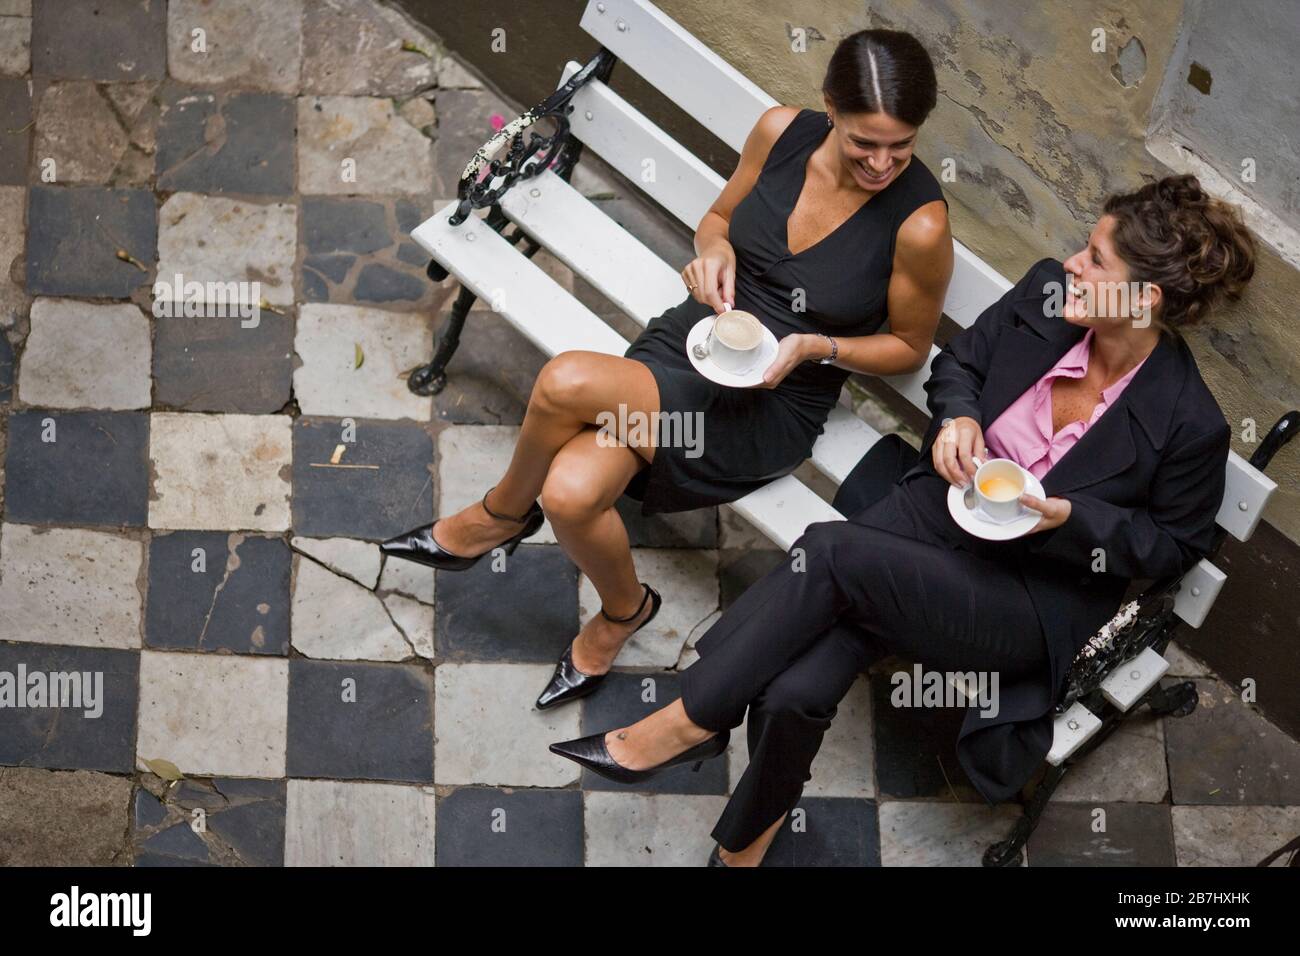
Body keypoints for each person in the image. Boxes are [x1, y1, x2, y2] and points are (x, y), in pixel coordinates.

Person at [550, 173, 1258, 866]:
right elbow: (961, 369)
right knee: (797, 686)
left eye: (1095, 260)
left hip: (1026, 597)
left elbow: (1171, 547)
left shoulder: (1188, 421)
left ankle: (688, 721)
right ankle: (746, 842)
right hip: (938, 518)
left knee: (827, 553)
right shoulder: (1048, 293)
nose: (1073, 262)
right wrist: (958, 419)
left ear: (1144, 297)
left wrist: (1068, 518)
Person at [381, 30, 954, 710]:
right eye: (866, 142)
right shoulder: (780, 132)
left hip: (771, 402)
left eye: (902, 145)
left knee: (565, 382)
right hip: (697, 342)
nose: (883, 163)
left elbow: (910, 346)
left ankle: (500, 514)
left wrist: (817, 347)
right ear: (830, 107)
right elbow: (717, 219)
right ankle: (625, 610)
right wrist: (712, 256)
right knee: (567, 493)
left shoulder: (918, 225)